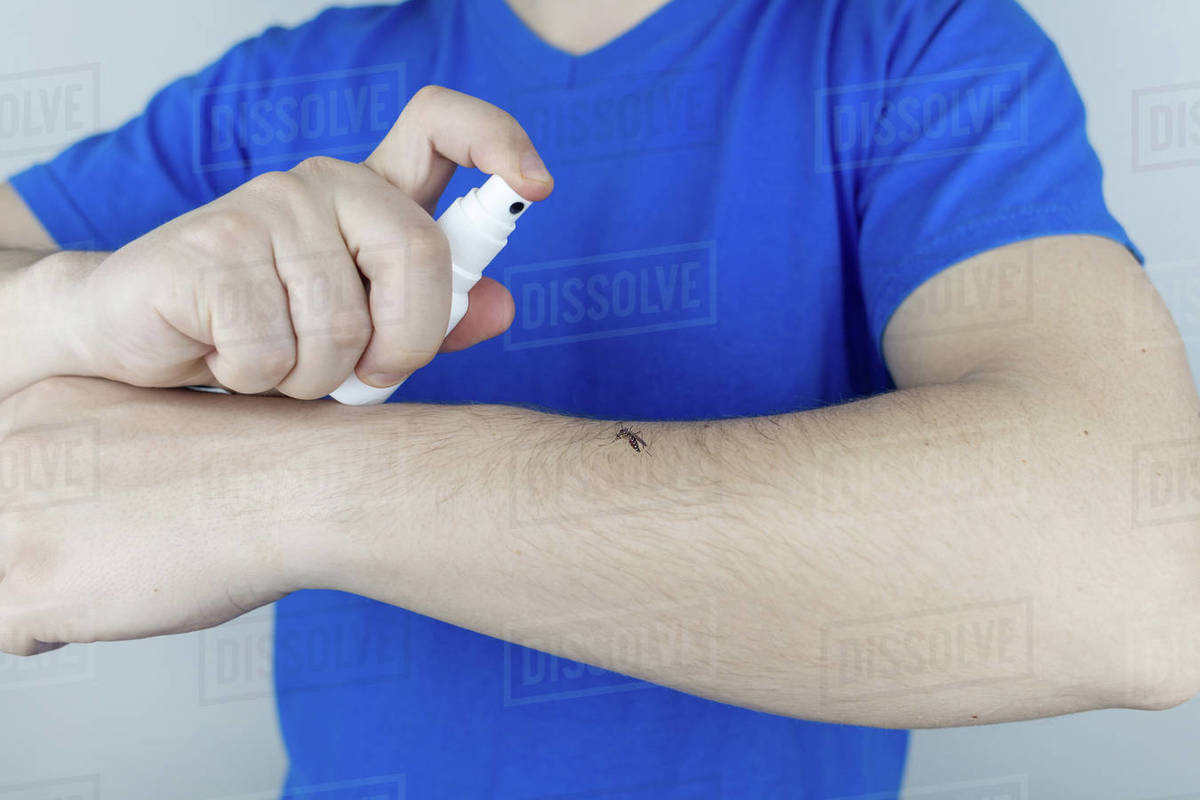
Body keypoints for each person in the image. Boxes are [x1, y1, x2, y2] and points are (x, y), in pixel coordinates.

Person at [1, 0, 1197, 797]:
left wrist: (283, 490)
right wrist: (69, 307)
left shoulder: (918, 43)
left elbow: (1139, 576)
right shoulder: (276, 90)